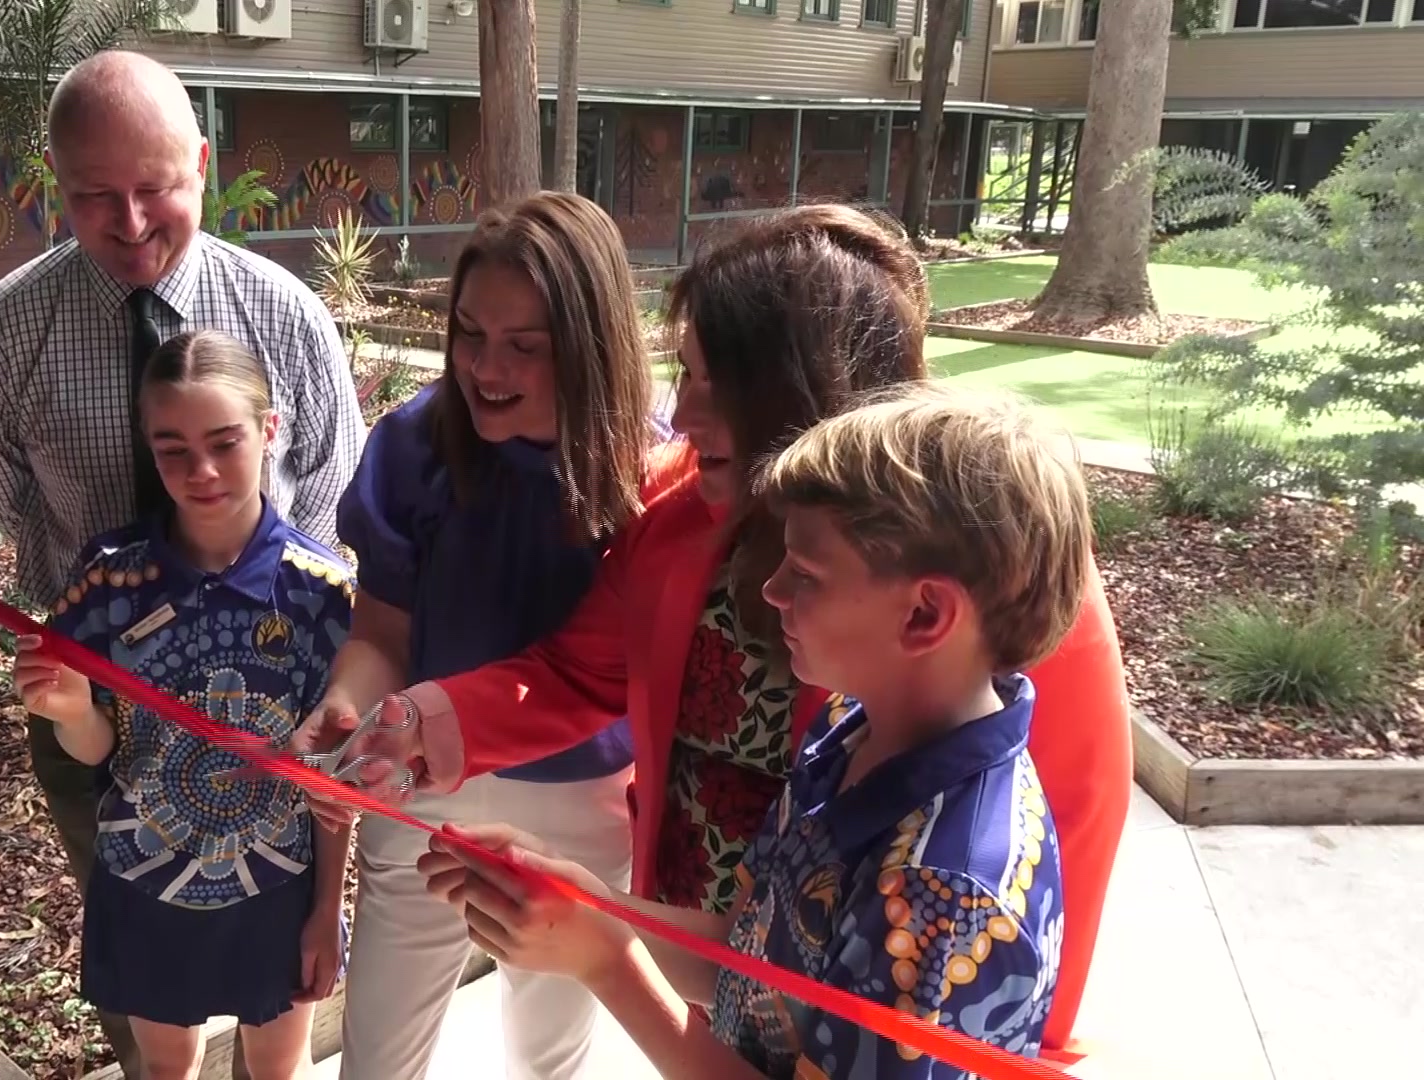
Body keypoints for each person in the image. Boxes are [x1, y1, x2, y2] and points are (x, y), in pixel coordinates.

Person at [299, 205, 1132, 1058]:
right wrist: (422, 724)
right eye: (683, 373)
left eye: (709, 383)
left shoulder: (999, 574)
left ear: (803, 387)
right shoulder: (679, 507)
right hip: (719, 961)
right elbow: (580, 672)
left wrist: (1021, 1046)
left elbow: (1068, 839)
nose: (683, 416)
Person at [415, 382, 1088, 1078]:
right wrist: (585, 904)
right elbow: (754, 958)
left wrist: (610, 964)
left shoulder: (942, 891)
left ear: (924, 616)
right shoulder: (852, 726)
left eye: (807, 574)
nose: (772, 591)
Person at [0, 49, 366, 1074]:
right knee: (146, 965)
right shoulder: (10, 332)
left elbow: (323, 506)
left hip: (263, 718)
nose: (131, 223)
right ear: (58, 187)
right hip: (94, 711)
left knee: (274, 971)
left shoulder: (285, 317)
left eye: (156, 190)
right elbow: (1, 504)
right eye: (97, 197)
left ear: (201, 161)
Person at [320, 189, 659, 1080]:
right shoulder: (410, 448)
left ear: (590, 346)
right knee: (378, 1058)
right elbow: (381, 630)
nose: (484, 366)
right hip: (421, 791)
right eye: (469, 333)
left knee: (550, 1058)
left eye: (524, 345)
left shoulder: (656, 474)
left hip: (581, 811)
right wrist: (348, 704)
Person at [12, 329, 352, 1080]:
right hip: (146, 880)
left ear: (270, 431)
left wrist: (327, 908)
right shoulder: (107, 585)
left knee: (278, 1066)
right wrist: (70, 709)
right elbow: (101, 749)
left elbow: (334, 781)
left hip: (280, 884)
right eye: (172, 449)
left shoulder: (321, 594)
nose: (199, 471)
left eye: (224, 442)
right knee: (167, 1067)